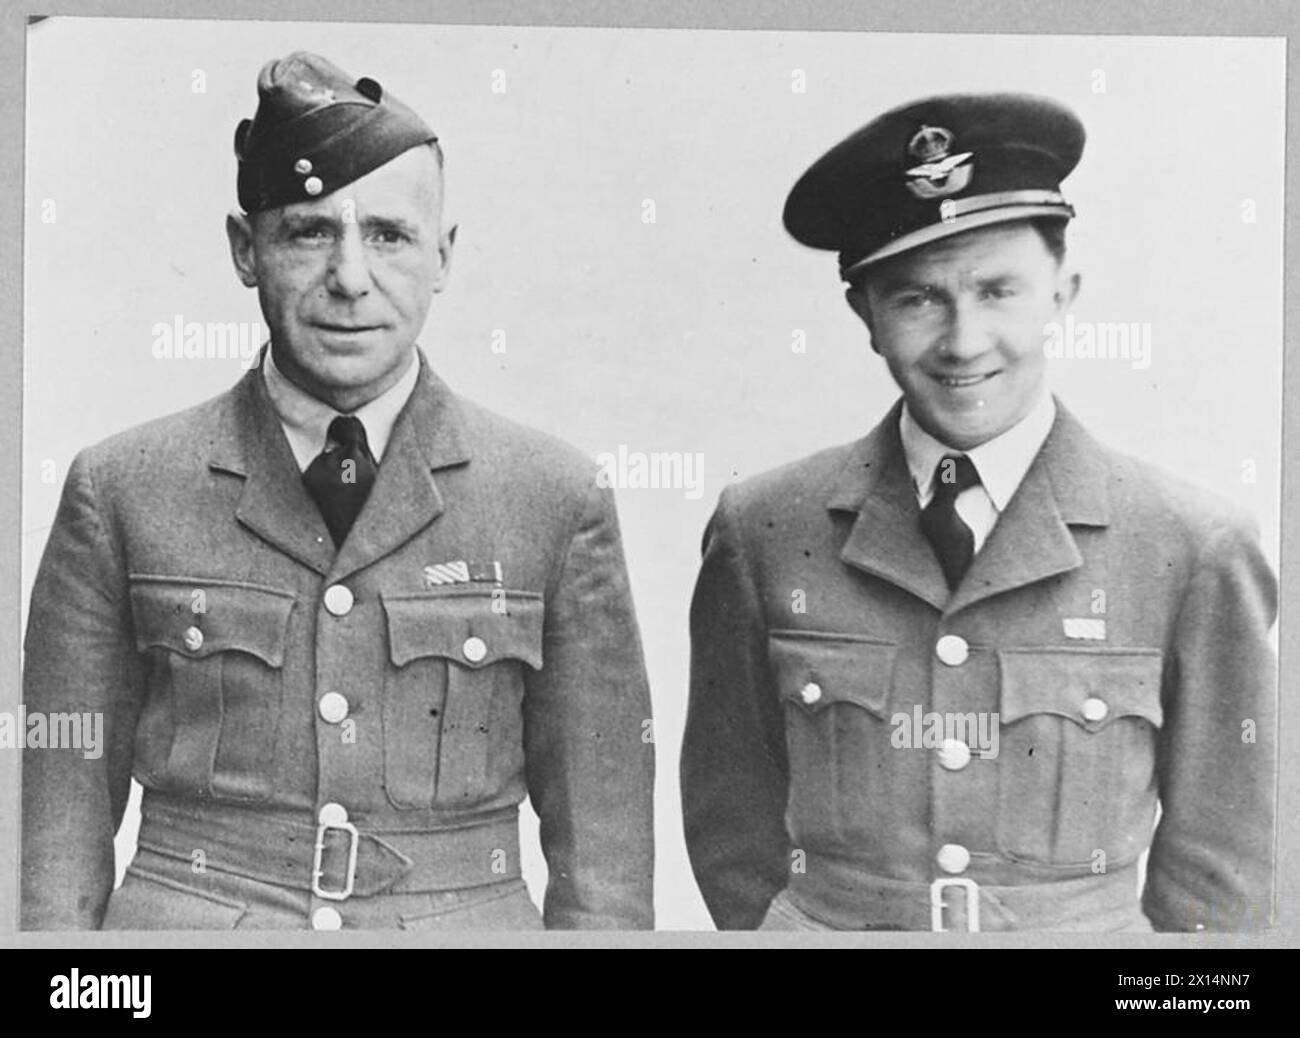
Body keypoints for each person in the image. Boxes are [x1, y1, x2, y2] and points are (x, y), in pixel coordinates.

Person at [22, 51, 654, 931]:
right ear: (247, 251)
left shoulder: (552, 495)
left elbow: (607, 857)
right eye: (311, 232)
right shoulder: (122, 488)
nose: (351, 278)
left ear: (445, 256)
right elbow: (54, 829)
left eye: (389, 236)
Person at [681, 93, 1276, 932]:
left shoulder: (1191, 545)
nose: (963, 342)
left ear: (1064, 293)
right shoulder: (767, 529)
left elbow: (1228, 867)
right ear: (866, 316)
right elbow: (730, 817)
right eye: (920, 298)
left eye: (999, 291)